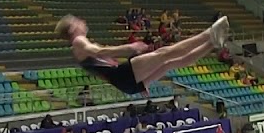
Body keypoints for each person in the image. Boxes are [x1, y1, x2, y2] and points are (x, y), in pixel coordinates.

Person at [56, 14, 230, 97]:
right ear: (72, 29)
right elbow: (101, 52)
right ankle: (209, 33)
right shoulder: (78, 41)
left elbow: (102, 63)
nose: (83, 21)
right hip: (122, 75)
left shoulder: (80, 47)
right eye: (78, 21)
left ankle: (211, 44)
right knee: (165, 54)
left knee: (169, 63)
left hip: (125, 83)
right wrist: (130, 47)